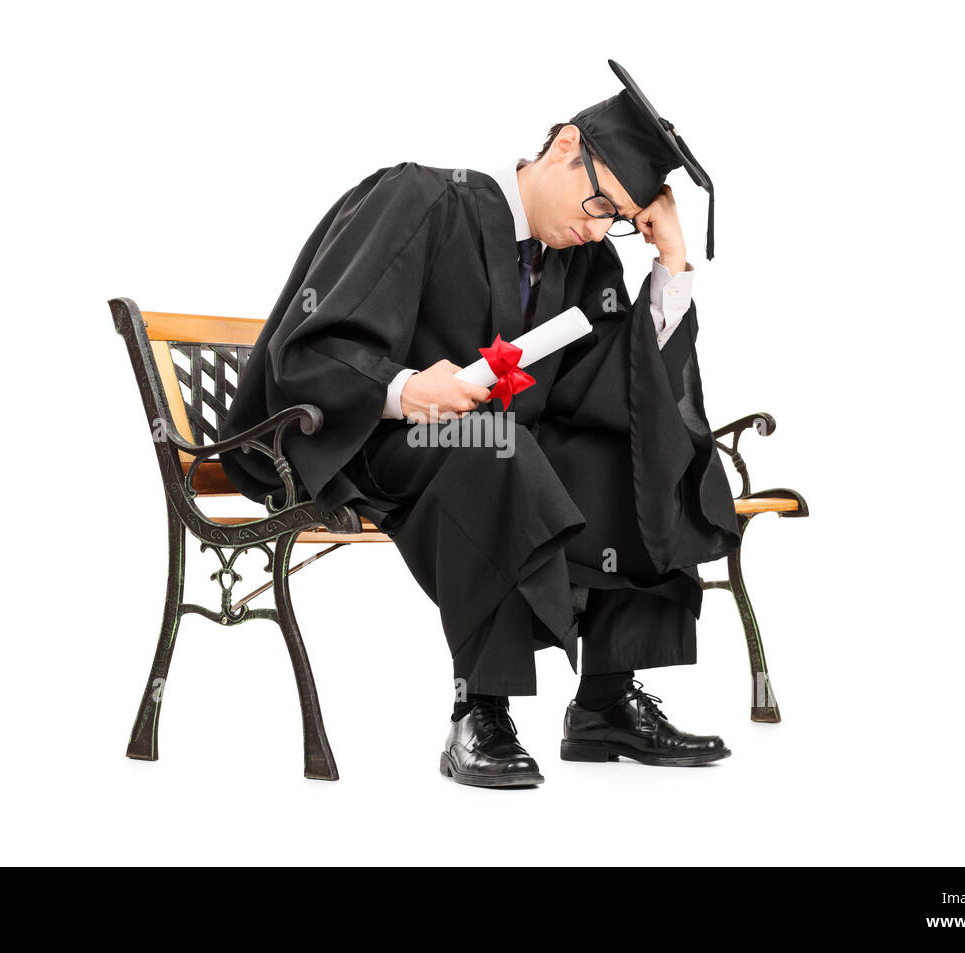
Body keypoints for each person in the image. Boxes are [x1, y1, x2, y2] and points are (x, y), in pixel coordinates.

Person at [220, 60, 743, 788]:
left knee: (632, 447)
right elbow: (311, 347)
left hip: (497, 449)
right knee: (497, 444)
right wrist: (405, 389)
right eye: (598, 203)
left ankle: (606, 701)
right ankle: (481, 709)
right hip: (378, 441)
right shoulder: (421, 198)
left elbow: (619, 387)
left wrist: (672, 264)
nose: (598, 227)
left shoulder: (584, 261)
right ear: (565, 145)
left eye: (618, 220)